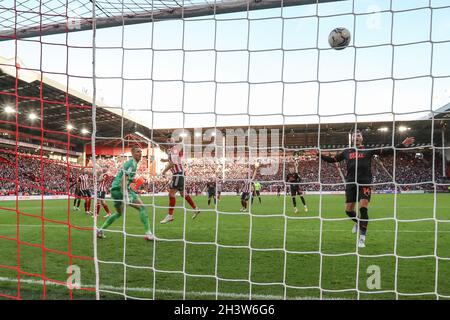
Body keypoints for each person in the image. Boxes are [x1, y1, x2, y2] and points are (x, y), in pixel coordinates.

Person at [318, 130, 414, 248]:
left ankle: (362, 238)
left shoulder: (368, 151)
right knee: (348, 211)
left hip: (365, 183)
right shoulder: (346, 152)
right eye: (354, 136)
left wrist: (402, 144)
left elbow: (388, 151)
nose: (356, 138)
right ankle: (359, 222)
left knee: (363, 208)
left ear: (362, 138)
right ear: (352, 139)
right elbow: (332, 160)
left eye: (358, 136)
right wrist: (319, 154)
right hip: (350, 183)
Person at [97, 146, 154, 241]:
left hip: (115, 190)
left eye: (140, 152)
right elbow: (123, 179)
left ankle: (100, 231)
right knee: (142, 208)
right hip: (121, 190)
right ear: (132, 154)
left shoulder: (132, 164)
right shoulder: (132, 163)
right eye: (137, 152)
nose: (140, 153)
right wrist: (125, 195)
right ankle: (148, 234)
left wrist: (134, 181)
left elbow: (126, 178)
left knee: (119, 213)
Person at [160, 138, 200, 223]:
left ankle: (170, 216)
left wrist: (163, 171)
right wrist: (165, 160)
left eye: (171, 140)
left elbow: (172, 163)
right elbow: (173, 160)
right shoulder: (172, 150)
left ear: (174, 142)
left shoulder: (173, 150)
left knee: (171, 194)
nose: (169, 142)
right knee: (183, 194)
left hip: (178, 174)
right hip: (180, 174)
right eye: (168, 140)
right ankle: (195, 208)